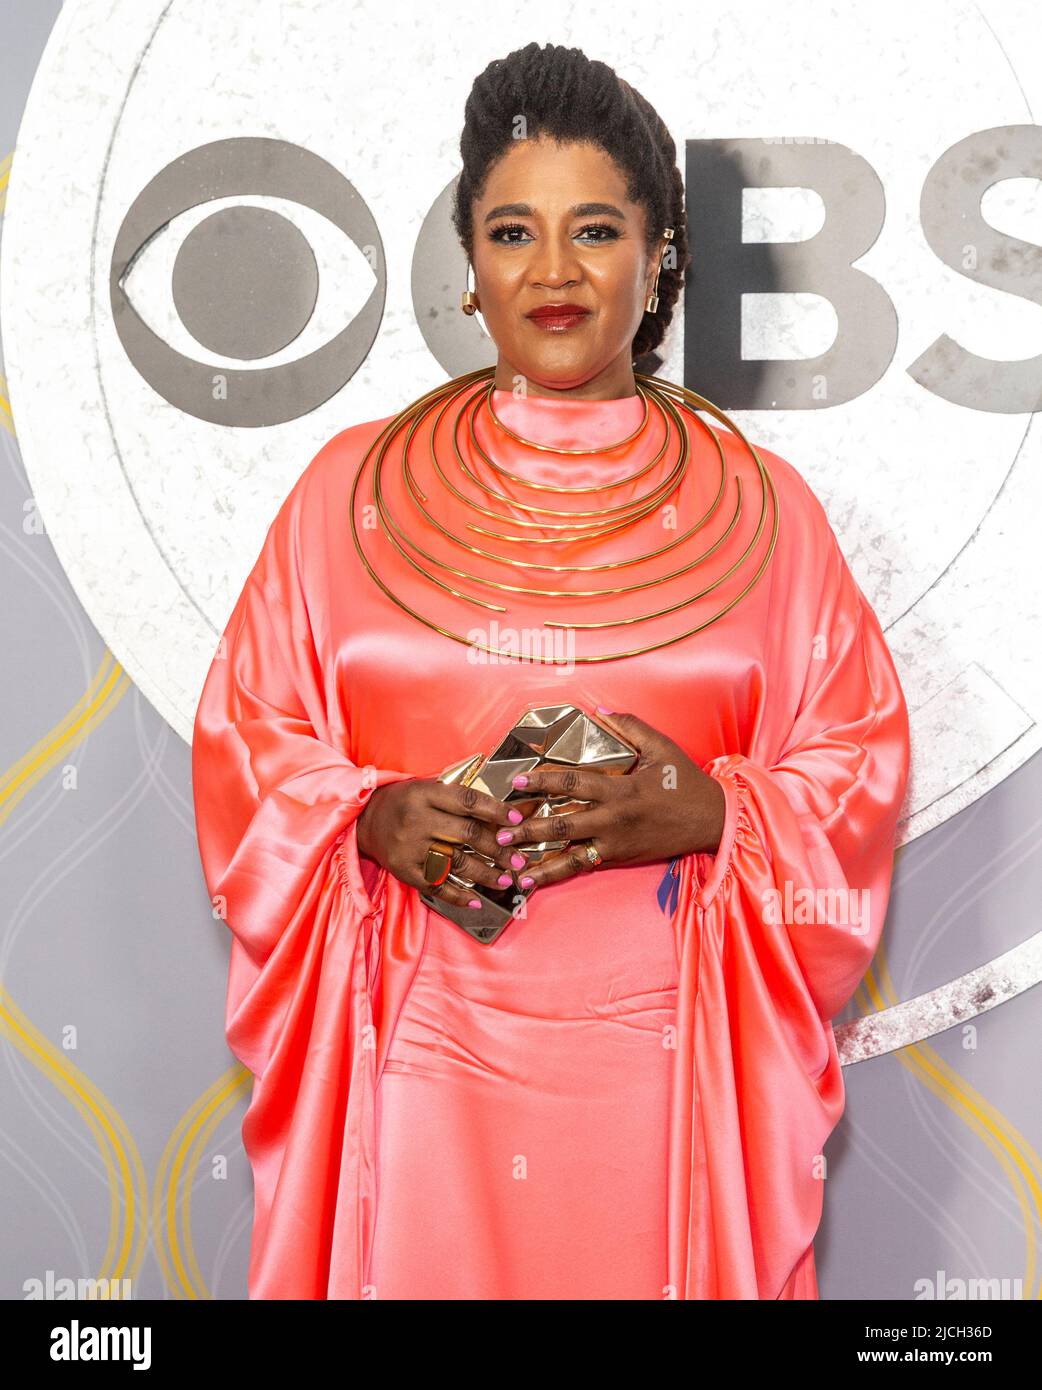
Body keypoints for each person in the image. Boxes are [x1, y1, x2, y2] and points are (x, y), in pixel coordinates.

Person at [191, 41, 910, 1300]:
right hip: (416, 1064)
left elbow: (853, 767)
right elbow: (251, 744)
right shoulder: (344, 498)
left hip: (671, 1080)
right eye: (513, 231)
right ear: (469, 264)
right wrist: (362, 814)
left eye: (595, 229)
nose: (556, 271)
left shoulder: (764, 512)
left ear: (658, 251)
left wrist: (718, 811)